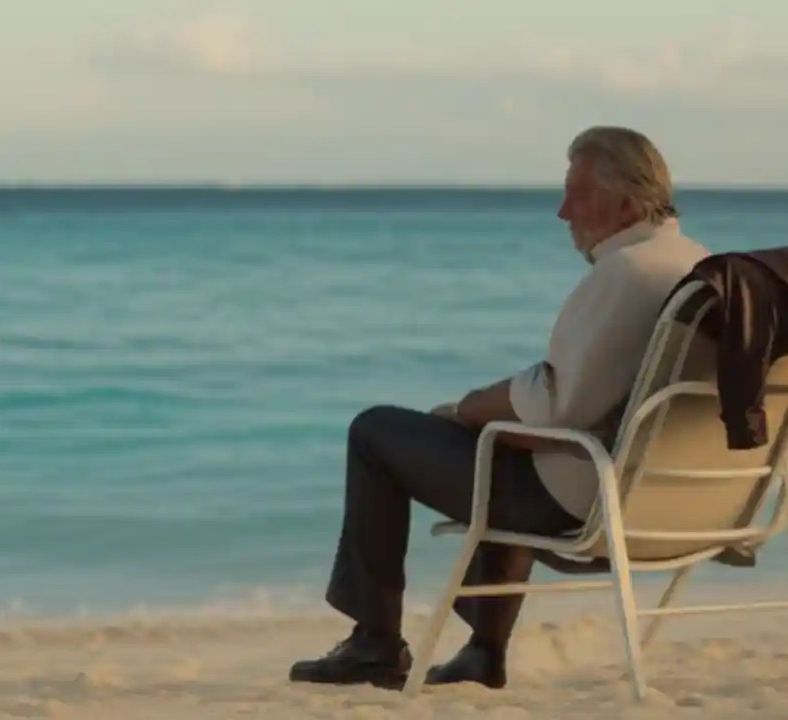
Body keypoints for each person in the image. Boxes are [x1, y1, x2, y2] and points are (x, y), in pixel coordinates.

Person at [288, 126, 712, 690]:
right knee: (499, 443)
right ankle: (483, 651)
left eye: (577, 193)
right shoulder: (699, 263)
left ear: (628, 202)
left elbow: (554, 411)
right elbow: (575, 399)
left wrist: (466, 408)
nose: (563, 213)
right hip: (679, 506)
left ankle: (375, 643)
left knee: (376, 432)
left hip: (585, 502)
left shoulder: (627, 273)